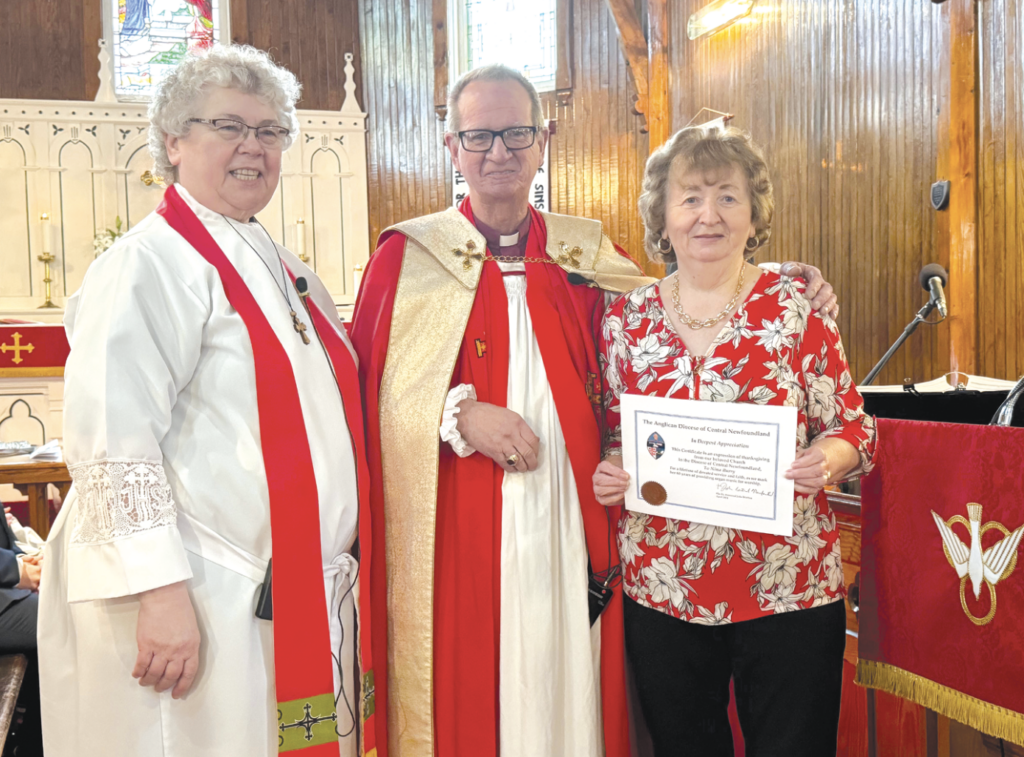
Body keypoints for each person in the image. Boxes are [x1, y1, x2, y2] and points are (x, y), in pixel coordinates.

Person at [350, 64, 838, 757]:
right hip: (465, 530)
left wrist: (784, 276)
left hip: (577, 519)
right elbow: (369, 392)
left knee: (570, 679)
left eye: (517, 133)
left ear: (543, 139)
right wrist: (456, 415)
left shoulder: (585, 252)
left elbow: (690, 298)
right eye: (479, 136)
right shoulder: (408, 256)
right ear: (450, 146)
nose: (499, 152)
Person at [37, 45, 381, 757]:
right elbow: (111, 437)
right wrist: (157, 594)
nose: (253, 148)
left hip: (282, 602)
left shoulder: (284, 266)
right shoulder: (148, 261)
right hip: (199, 597)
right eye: (229, 127)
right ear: (173, 139)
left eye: (270, 131)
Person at [593, 125, 877, 757]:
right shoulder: (624, 319)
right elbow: (617, 432)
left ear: (754, 216)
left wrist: (826, 460)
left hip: (788, 585)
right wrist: (612, 470)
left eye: (728, 196)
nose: (708, 215)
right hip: (664, 584)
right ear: (662, 218)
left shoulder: (795, 306)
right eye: (690, 197)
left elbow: (856, 427)